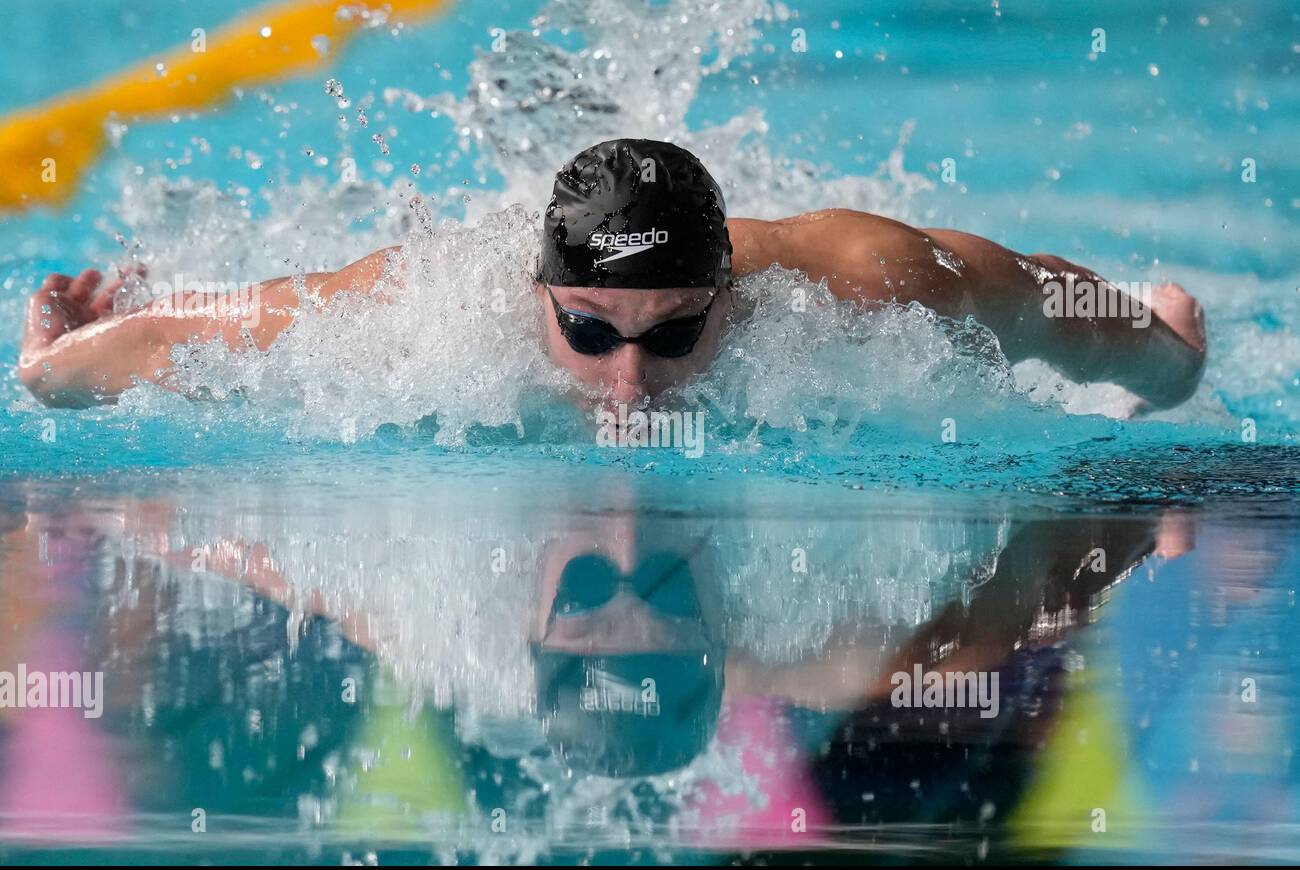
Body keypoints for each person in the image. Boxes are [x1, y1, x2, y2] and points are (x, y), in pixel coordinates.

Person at [18, 138, 1206, 413]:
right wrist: (46, 363)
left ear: (734, 293)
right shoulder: (432, 305)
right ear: (537, 296)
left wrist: (1164, 350)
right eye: (588, 335)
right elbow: (191, 329)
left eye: (676, 336)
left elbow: (1050, 299)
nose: (630, 388)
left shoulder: (873, 285)